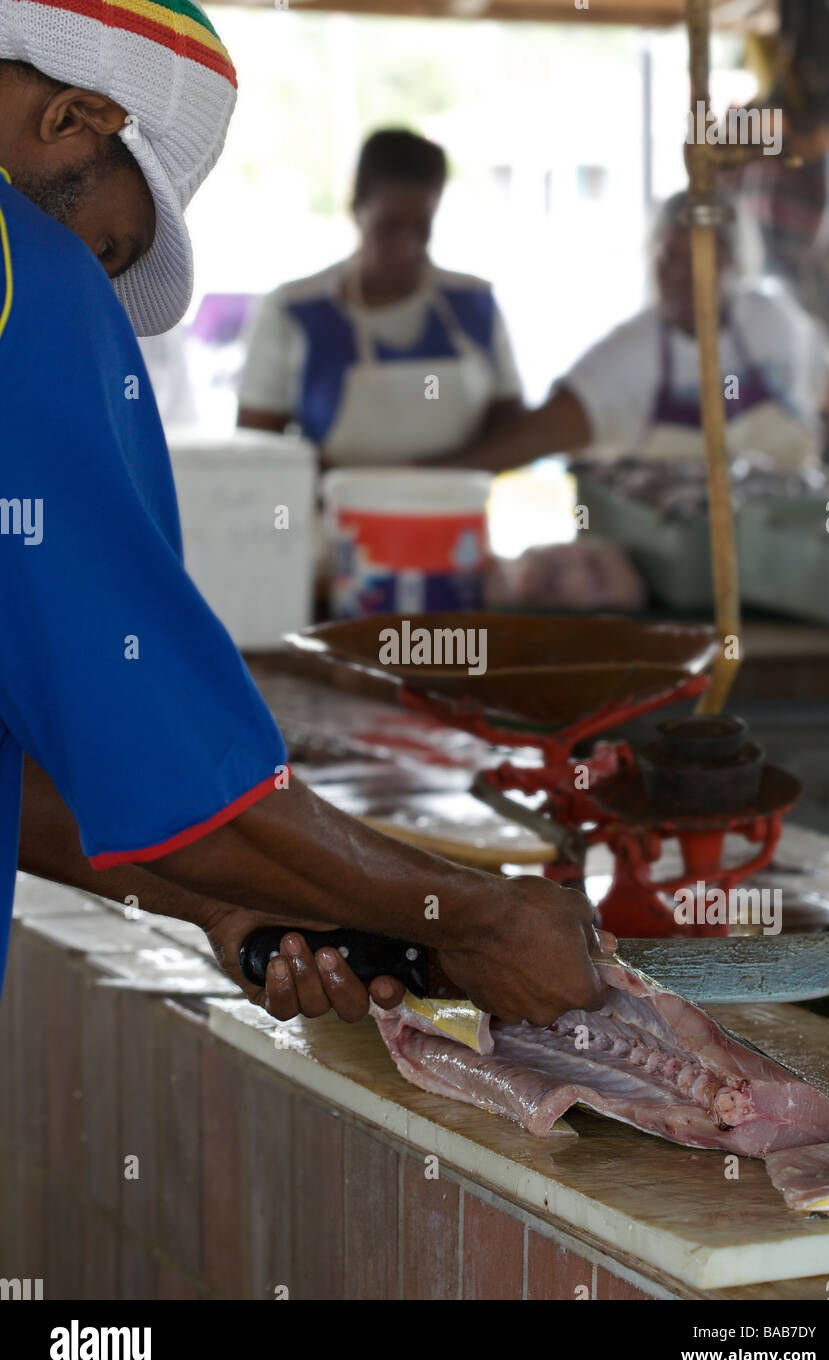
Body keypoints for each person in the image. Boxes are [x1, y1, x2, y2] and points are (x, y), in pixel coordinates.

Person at [0, 1, 607, 1028]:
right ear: (75, 117)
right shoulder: (25, 273)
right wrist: (481, 917)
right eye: (107, 253)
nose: (93, 288)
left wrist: (221, 895)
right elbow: (161, 750)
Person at [443, 190, 829, 474]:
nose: (679, 275)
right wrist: (425, 477)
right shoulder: (629, 358)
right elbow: (536, 435)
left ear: (733, 264)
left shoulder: (773, 325)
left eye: (698, 259)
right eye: (668, 259)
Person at [237, 128, 523, 467]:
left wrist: (435, 478)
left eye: (422, 227)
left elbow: (514, 432)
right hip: (333, 518)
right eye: (389, 226)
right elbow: (256, 450)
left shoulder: (475, 304)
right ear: (357, 210)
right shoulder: (293, 310)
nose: (408, 246)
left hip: (454, 516)